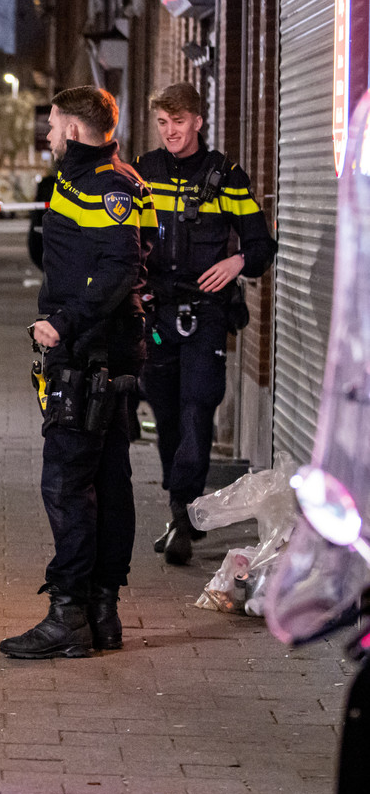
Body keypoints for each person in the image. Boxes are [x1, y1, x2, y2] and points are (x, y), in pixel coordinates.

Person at [0, 86, 149, 660]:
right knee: (107, 481)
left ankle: (68, 613)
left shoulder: (107, 186)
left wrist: (64, 322)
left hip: (90, 355)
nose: (48, 134)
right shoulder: (112, 179)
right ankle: (100, 613)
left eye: (55, 125)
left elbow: (120, 268)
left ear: (78, 130)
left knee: (67, 483)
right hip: (105, 352)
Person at [134, 83, 277, 566]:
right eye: (162, 123)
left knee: (197, 409)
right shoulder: (143, 172)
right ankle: (180, 507)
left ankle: (182, 515)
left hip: (207, 314)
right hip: (157, 314)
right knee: (167, 415)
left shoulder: (226, 176)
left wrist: (237, 262)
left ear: (198, 120)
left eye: (178, 122)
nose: (170, 131)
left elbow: (261, 246)